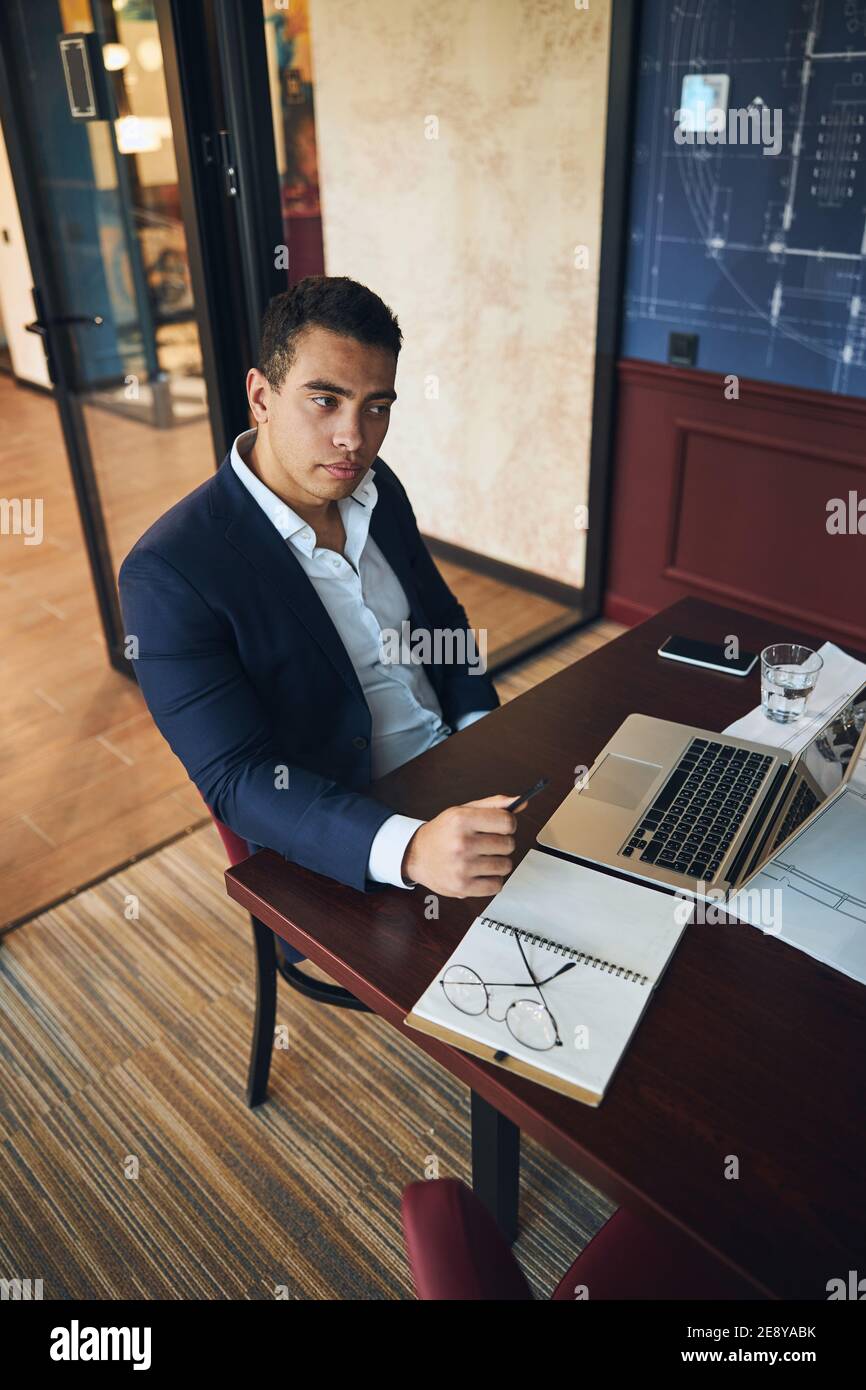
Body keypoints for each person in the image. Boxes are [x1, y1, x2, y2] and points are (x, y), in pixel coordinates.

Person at [119, 275, 523, 933]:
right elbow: (239, 779)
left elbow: (441, 624)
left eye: (376, 406)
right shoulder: (168, 572)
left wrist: (482, 732)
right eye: (325, 401)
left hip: (462, 782)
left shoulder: (377, 486)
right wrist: (409, 848)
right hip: (345, 844)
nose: (353, 439)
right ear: (261, 397)